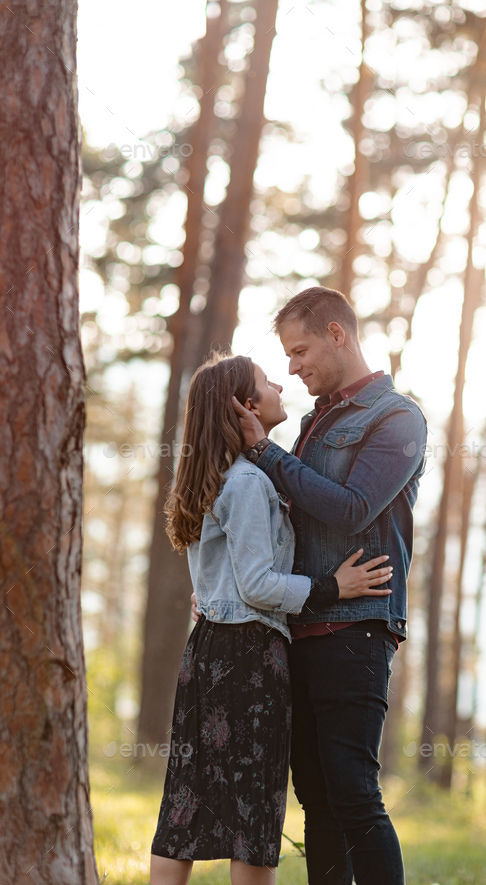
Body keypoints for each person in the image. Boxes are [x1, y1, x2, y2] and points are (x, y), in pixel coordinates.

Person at [149, 351, 394, 885]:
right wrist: (335, 586)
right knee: (252, 809)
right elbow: (258, 584)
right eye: (266, 381)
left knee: (187, 799)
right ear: (245, 406)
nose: (280, 383)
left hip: (210, 649)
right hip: (248, 655)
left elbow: (224, 577)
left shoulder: (219, 477)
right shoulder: (249, 484)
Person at [228, 286, 428, 885]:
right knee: (316, 796)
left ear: (338, 334)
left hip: (358, 628)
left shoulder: (398, 417)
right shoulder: (314, 422)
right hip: (302, 626)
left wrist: (264, 451)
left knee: (352, 790)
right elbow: (290, 517)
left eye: (300, 350)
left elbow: (351, 508)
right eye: (287, 357)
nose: (292, 367)